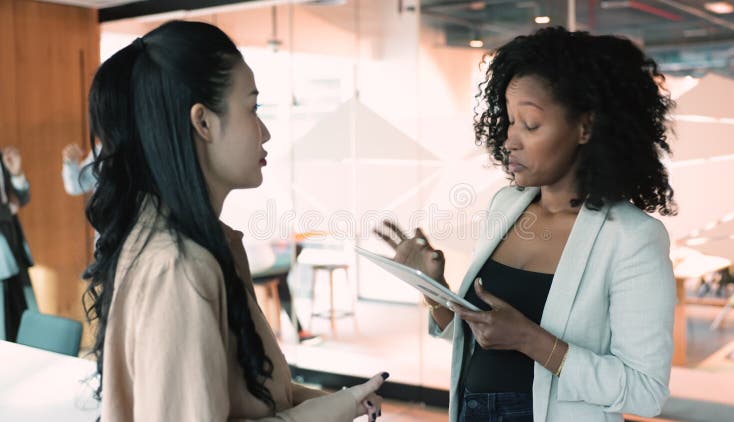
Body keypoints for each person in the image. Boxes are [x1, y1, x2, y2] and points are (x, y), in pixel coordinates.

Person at [82, 21, 386, 421]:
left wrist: (339, 401)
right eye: (253, 108)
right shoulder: (179, 267)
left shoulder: (197, 246)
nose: (265, 132)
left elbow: (241, 394)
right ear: (203, 122)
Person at [376, 27, 677, 422]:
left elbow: (645, 393)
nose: (509, 140)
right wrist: (434, 291)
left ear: (585, 128)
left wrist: (532, 341)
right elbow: (479, 341)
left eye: (530, 125)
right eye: (510, 120)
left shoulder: (632, 238)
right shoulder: (505, 206)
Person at [0, 146, 36, 342]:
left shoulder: (2, 158)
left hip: (12, 250)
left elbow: (21, 198)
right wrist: (8, 210)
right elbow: (11, 206)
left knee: (19, 313)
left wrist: (17, 174)